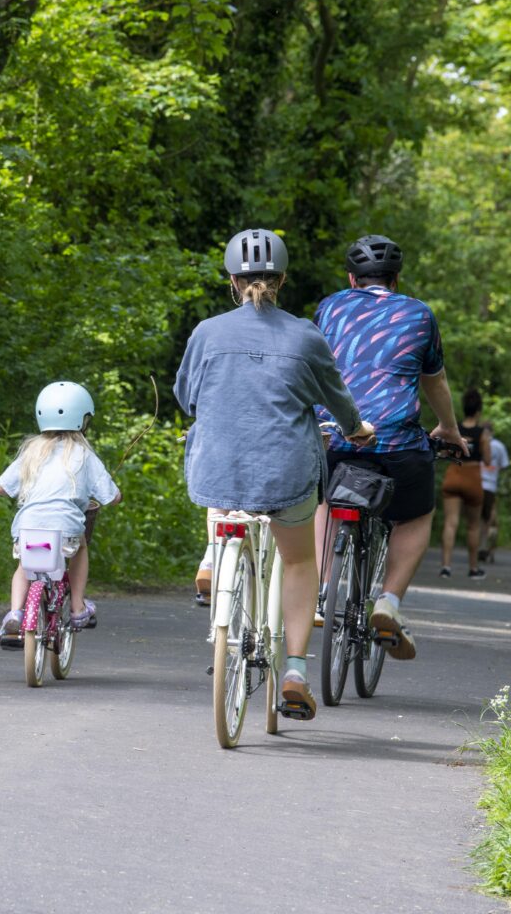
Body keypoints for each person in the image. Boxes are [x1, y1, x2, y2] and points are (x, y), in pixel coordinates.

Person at [176, 228, 375, 718]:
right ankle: (295, 671)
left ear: (231, 279)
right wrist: (357, 429)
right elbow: (338, 401)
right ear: (282, 280)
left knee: (216, 471)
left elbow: (186, 398)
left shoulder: (206, 332)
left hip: (218, 468)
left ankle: (213, 552)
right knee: (302, 561)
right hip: (286, 473)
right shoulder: (305, 334)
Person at [313, 234, 467, 661]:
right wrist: (449, 430)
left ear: (351, 278)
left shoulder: (329, 308)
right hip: (396, 442)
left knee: (323, 498)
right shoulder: (419, 314)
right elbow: (434, 381)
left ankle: (324, 593)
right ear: (397, 278)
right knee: (417, 513)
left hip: (333, 435)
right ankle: (389, 603)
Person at [0, 381, 121, 648]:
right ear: (83, 419)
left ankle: (15, 614)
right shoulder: (84, 454)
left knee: (23, 567)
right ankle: (77, 609)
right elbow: (113, 497)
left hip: (28, 528)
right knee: (81, 547)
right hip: (66, 529)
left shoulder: (32, 452)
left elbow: (1, 487)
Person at [438, 388, 489, 579]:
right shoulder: (482, 433)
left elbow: (443, 453)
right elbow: (489, 459)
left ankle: (446, 567)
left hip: (454, 473)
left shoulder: (454, 429)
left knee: (451, 523)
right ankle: (473, 568)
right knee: (473, 525)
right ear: (478, 410)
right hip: (473, 477)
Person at [478, 423, 510, 565]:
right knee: (488, 518)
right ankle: (485, 546)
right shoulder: (500, 446)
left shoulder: (478, 441)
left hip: (476, 483)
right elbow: (504, 466)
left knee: (475, 519)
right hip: (490, 485)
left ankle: (478, 546)